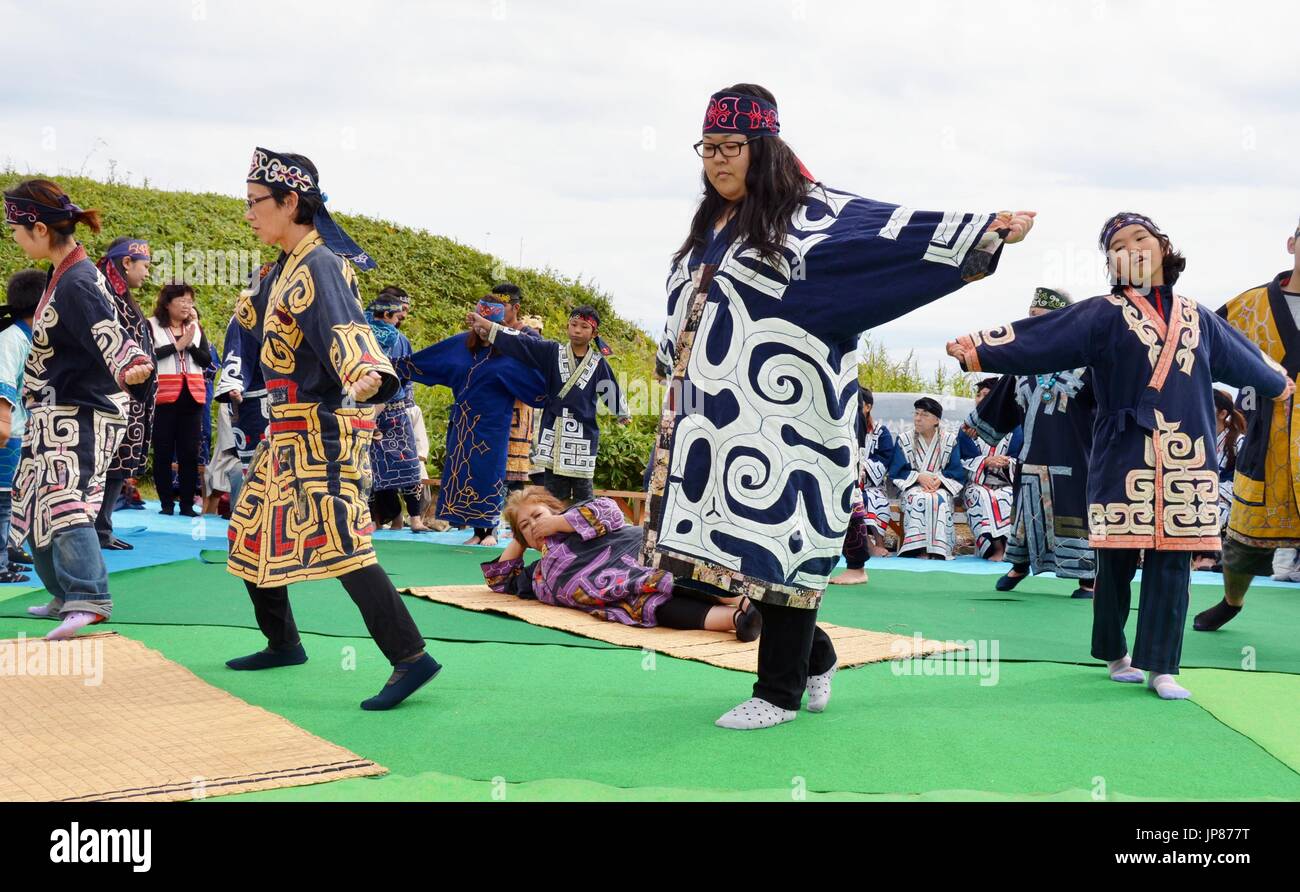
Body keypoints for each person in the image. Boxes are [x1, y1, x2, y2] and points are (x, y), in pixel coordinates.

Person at [644, 83, 1034, 729]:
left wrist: (983, 232)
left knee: (780, 547)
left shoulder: (808, 218)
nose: (717, 160)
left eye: (731, 147)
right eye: (707, 147)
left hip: (793, 416)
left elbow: (889, 236)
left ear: (763, 148)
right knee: (737, 555)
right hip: (714, 419)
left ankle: (779, 693)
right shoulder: (708, 228)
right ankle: (815, 658)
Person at [947, 211, 1292, 700]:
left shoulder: (1199, 317)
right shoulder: (1101, 313)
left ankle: (1163, 667)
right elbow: (1043, 337)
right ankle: (1115, 653)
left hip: (1187, 458)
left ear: (1162, 248)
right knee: (1114, 562)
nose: (1131, 248)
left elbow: (1245, 357)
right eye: (1117, 245)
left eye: (1140, 238)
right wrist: (979, 348)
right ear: (1111, 262)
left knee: (1173, 564)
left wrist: (1279, 384)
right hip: (1122, 453)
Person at [225, 147, 439, 710]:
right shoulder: (281, 265)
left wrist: (366, 371)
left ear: (290, 201)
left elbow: (346, 325)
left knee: (344, 545)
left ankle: (411, 657)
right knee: (249, 530)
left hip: (322, 428)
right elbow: (245, 327)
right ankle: (283, 641)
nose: (247, 213)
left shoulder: (320, 263)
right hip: (285, 428)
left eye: (255, 203)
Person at [4, 178, 154, 639]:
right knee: (31, 497)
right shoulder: (63, 272)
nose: (11, 236)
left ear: (38, 229)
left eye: (15, 227)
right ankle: (64, 594)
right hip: (55, 409)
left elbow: (107, 328)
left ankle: (89, 596)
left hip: (84, 410)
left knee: (65, 500)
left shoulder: (79, 278)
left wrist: (130, 363)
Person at [1195, 220, 1300, 629]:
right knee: (1243, 541)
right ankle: (1231, 601)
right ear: (1291, 243)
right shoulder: (1250, 304)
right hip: (1264, 438)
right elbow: (1198, 346)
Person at [483, 487, 762, 638]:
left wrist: (556, 521)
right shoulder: (539, 572)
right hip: (620, 597)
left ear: (554, 509)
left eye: (538, 514)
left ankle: (743, 602)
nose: (535, 524)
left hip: (636, 559)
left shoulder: (579, 521)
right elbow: (500, 580)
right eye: (526, 525)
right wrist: (522, 536)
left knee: (666, 576)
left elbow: (610, 512)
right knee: (655, 607)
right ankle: (738, 621)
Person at [968, 287, 1098, 598]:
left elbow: (1112, 400)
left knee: (1075, 510)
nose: (1032, 323)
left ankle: (1087, 578)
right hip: (1033, 453)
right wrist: (978, 421)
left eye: (1039, 318)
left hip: (1075, 454)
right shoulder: (1025, 364)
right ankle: (1018, 564)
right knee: (1027, 509)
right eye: (1030, 317)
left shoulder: (1087, 362)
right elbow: (1002, 398)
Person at [403, 298, 549, 546]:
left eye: (489, 325)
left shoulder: (510, 353)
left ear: (498, 324)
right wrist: (399, 366)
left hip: (493, 425)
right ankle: (475, 530)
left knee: (488, 473)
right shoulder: (461, 345)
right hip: (463, 422)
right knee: (462, 474)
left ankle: (489, 529)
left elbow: (535, 380)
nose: (482, 330)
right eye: (479, 325)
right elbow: (432, 358)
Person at [468, 304, 630, 504]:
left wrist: (622, 413)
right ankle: (553, 534)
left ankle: (585, 535)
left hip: (583, 436)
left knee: (584, 498)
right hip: (553, 432)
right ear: (567, 326)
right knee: (553, 497)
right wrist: (487, 325)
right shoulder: (552, 351)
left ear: (594, 332)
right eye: (573, 324)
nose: (577, 330)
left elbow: (610, 389)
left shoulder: (598, 363)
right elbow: (522, 343)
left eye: (584, 327)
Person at [94, 237, 157, 549]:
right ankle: (97, 530)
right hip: (114, 397)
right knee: (107, 464)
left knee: (117, 465)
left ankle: (103, 527)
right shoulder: (103, 296)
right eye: (144, 265)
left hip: (132, 399)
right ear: (127, 262)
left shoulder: (122, 297)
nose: (147, 272)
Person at [365, 292, 428, 532]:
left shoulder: (360, 335)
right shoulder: (397, 338)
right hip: (393, 407)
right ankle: (416, 519)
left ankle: (374, 520)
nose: (401, 316)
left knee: (371, 469)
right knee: (407, 465)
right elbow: (405, 375)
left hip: (366, 407)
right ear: (388, 314)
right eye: (398, 312)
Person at [148, 282, 210, 517]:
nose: (187, 305)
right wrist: (177, 346)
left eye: (189, 301)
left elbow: (205, 360)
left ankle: (186, 505)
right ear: (167, 303)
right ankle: (166, 503)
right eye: (181, 300)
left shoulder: (194, 326)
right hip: (165, 397)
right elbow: (149, 356)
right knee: (163, 451)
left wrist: (190, 344)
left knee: (189, 453)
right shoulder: (152, 325)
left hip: (192, 397)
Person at [829, 386, 895, 585]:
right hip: (844, 468)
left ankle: (857, 567)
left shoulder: (855, 411)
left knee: (853, 506)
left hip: (854, 474)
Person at [0, 270, 41, 584]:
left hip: (20, 431)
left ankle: (5, 554)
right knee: (1, 501)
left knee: (10, 499)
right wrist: (2, 424)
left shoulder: (30, 339)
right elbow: (4, 384)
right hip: (7, 434)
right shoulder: (11, 339)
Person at [889, 398, 967, 560]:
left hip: (941, 487)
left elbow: (956, 471)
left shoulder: (949, 440)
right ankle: (917, 548)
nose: (918, 418)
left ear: (936, 420)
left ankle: (939, 549)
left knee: (940, 499)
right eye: (916, 414)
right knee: (918, 498)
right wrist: (918, 476)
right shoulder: (904, 439)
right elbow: (897, 470)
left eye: (924, 415)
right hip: (913, 486)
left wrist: (940, 480)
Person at [960, 377, 1023, 562]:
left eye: (986, 395)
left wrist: (1006, 462)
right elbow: (962, 460)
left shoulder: (1016, 427)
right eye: (977, 395)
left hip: (1006, 482)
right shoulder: (967, 428)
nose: (980, 399)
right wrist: (985, 462)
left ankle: (1009, 549)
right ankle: (994, 548)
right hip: (977, 483)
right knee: (984, 497)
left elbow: (1021, 457)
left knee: (1005, 496)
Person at [493, 282, 544, 494]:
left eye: (501, 307)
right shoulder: (483, 331)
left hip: (518, 408)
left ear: (516, 308)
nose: (496, 312)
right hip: (491, 406)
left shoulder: (531, 337)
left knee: (512, 480)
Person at [1192, 389, 1246, 570]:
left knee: (1212, 508)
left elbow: (1246, 476)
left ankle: (1209, 555)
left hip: (1229, 494)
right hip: (1198, 489)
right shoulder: (1194, 437)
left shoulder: (1238, 440)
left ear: (1223, 414)